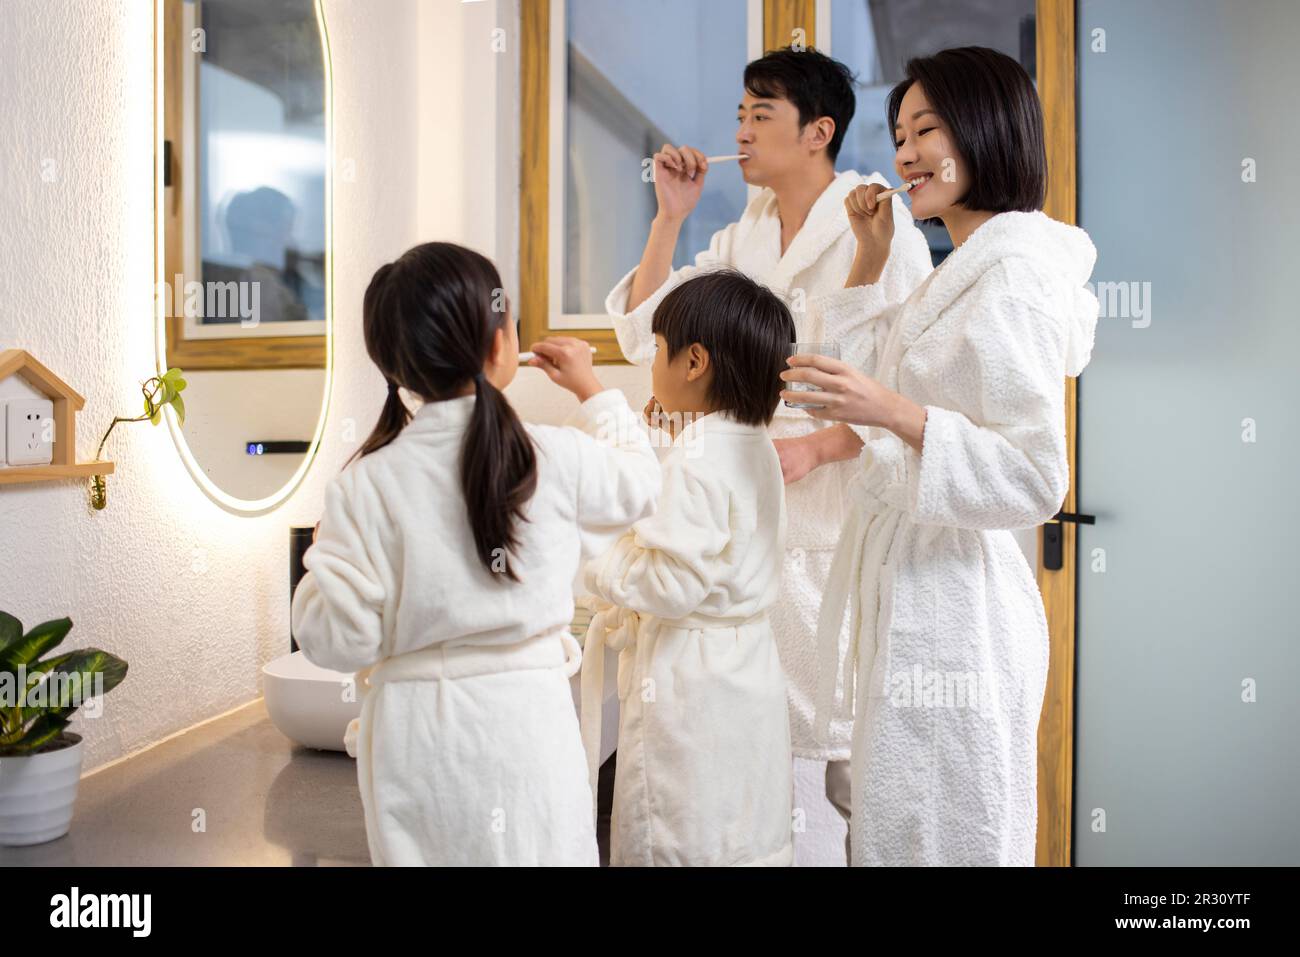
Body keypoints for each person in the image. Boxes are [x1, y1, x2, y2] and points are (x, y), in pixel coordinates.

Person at [605, 46, 933, 856]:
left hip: (831, 509)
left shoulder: (876, 227)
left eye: (761, 115)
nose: (741, 132)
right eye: (739, 115)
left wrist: (818, 447)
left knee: (841, 751)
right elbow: (651, 331)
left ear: (818, 131)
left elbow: (908, 381)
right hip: (743, 508)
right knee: (753, 740)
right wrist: (669, 217)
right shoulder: (739, 235)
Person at [780, 47, 1099, 865]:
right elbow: (837, 392)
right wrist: (868, 253)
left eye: (925, 129)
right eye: (899, 135)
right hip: (916, 590)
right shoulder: (956, 275)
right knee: (901, 823)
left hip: (960, 610)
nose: (905, 154)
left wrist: (892, 412)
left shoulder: (1013, 276)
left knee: (946, 827)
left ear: (985, 129)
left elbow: (1036, 475)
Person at [291, 242, 662, 866]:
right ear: (499, 345)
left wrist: (323, 563)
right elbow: (644, 485)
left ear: (394, 364)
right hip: (529, 732)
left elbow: (338, 641)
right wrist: (592, 391)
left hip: (416, 746)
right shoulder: (553, 456)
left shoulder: (364, 484)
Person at [581, 270, 796, 865]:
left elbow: (670, 584)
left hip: (689, 682)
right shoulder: (751, 443)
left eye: (657, 350)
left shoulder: (696, 459)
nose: (653, 365)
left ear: (694, 361)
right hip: (746, 670)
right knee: (739, 834)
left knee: (679, 834)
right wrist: (675, 437)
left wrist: (596, 557)